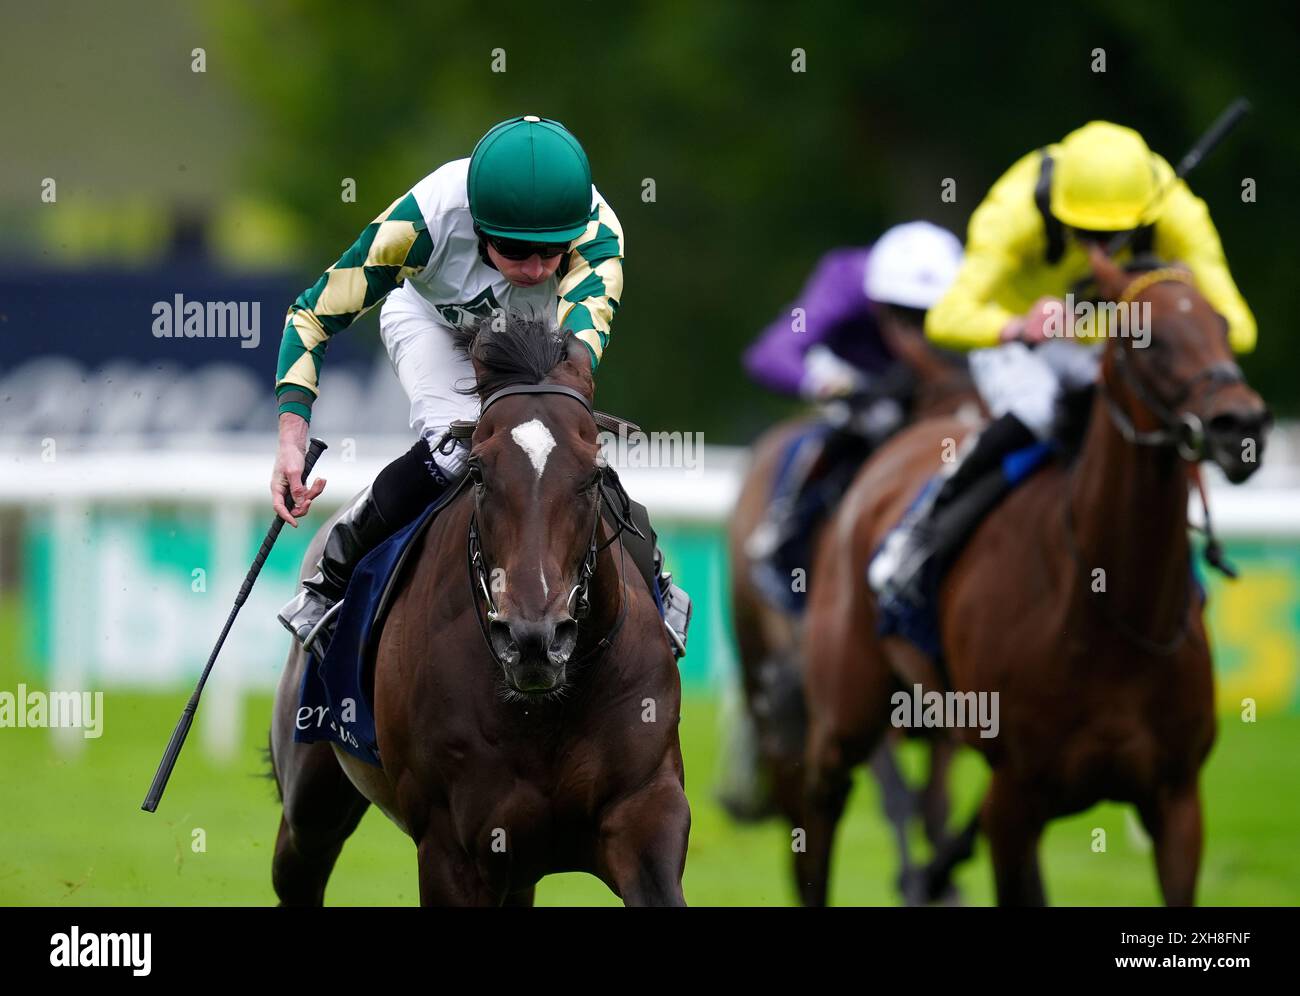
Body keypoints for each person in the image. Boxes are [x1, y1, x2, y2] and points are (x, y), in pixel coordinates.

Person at [271, 115, 691, 656]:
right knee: (457, 449)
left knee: (566, 447)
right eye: (517, 251)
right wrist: (291, 436)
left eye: (551, 253)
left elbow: (577, 364)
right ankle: (333, 572)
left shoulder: (597, 234)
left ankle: (653, 581)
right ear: (478, 228)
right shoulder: (423, 222)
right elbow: (311, 315)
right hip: (432, 322)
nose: (537, 270)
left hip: (536, 340)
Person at [870, 120, 1257, 604]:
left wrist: (1163, 306)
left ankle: (1180, 575)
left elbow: (1239, 328)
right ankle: (922, 535)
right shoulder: (1013, 208)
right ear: (1057, 207)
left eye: (1114, 234)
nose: (1098, 250)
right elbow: (947, 319)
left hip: (1118, 339)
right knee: (1038, 411)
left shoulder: (1176, 208)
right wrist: (1019, 326)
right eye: (1086, 233)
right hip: (1020, 343)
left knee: (1158, 415)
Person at [741, 221, 964, 607]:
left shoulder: (966, 283)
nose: (916, 330)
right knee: (846, 433)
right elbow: (769, 354)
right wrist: (831, 386)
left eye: (927, 315)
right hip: (854, 381)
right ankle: (785, 543)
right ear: (878, 302)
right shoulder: (845, 279)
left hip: (930, 387)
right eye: (903, 315)